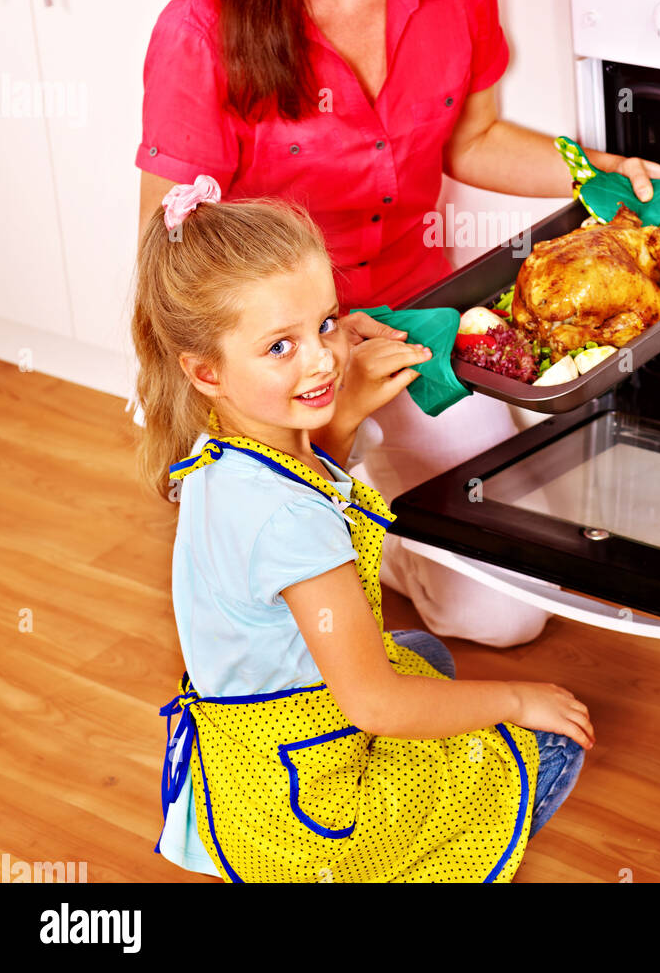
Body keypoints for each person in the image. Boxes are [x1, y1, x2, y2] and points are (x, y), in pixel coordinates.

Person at [135, 0, 660, 649]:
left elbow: (471, 140)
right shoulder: (201, 29)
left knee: (509, 615)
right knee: (280, 607)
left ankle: (382, 529)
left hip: (416, 323)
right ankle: (330, 504)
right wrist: (306, 361)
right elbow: (175, 264)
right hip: (269, 364)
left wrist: (591, 169)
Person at [134, 177, 593, 882]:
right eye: (278, 348)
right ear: (205, 372)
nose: (322, 359)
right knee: (551, 745)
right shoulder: (287, 522)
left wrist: (341, 424)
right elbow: (374, 703)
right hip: (311, 820)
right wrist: (517, 697)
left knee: (422, 654)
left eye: (323, 324)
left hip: (243, 776)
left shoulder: (215, 457)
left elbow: (308, 493)